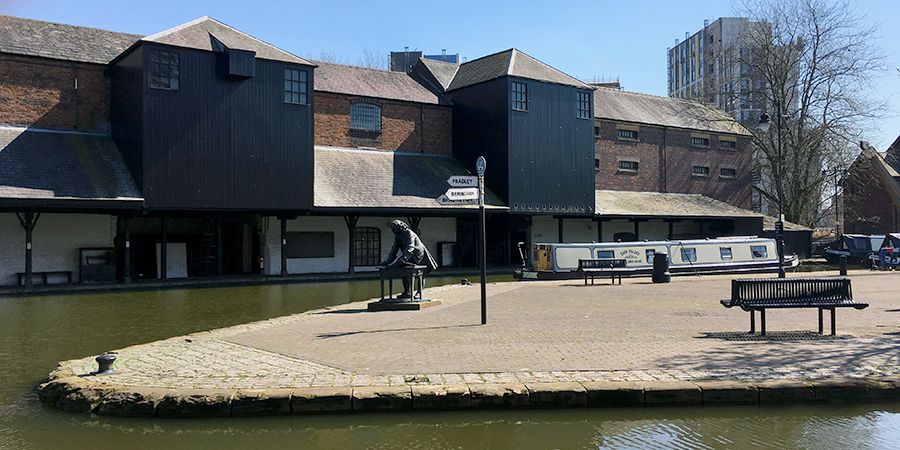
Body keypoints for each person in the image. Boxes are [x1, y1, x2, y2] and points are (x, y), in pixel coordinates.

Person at [380, 220, 438, 298]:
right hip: (408, 255)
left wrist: (402, 260)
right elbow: (394, 249)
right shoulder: (398, 235)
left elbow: (410, 248)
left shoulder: (409, 233)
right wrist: (388, 261)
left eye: (394, 229)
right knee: (404, 271)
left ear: (400, 227)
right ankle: (407, 292)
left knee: (420, 273)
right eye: (392, 229)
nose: (393, 231)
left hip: (417, 254)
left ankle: (419, 292)